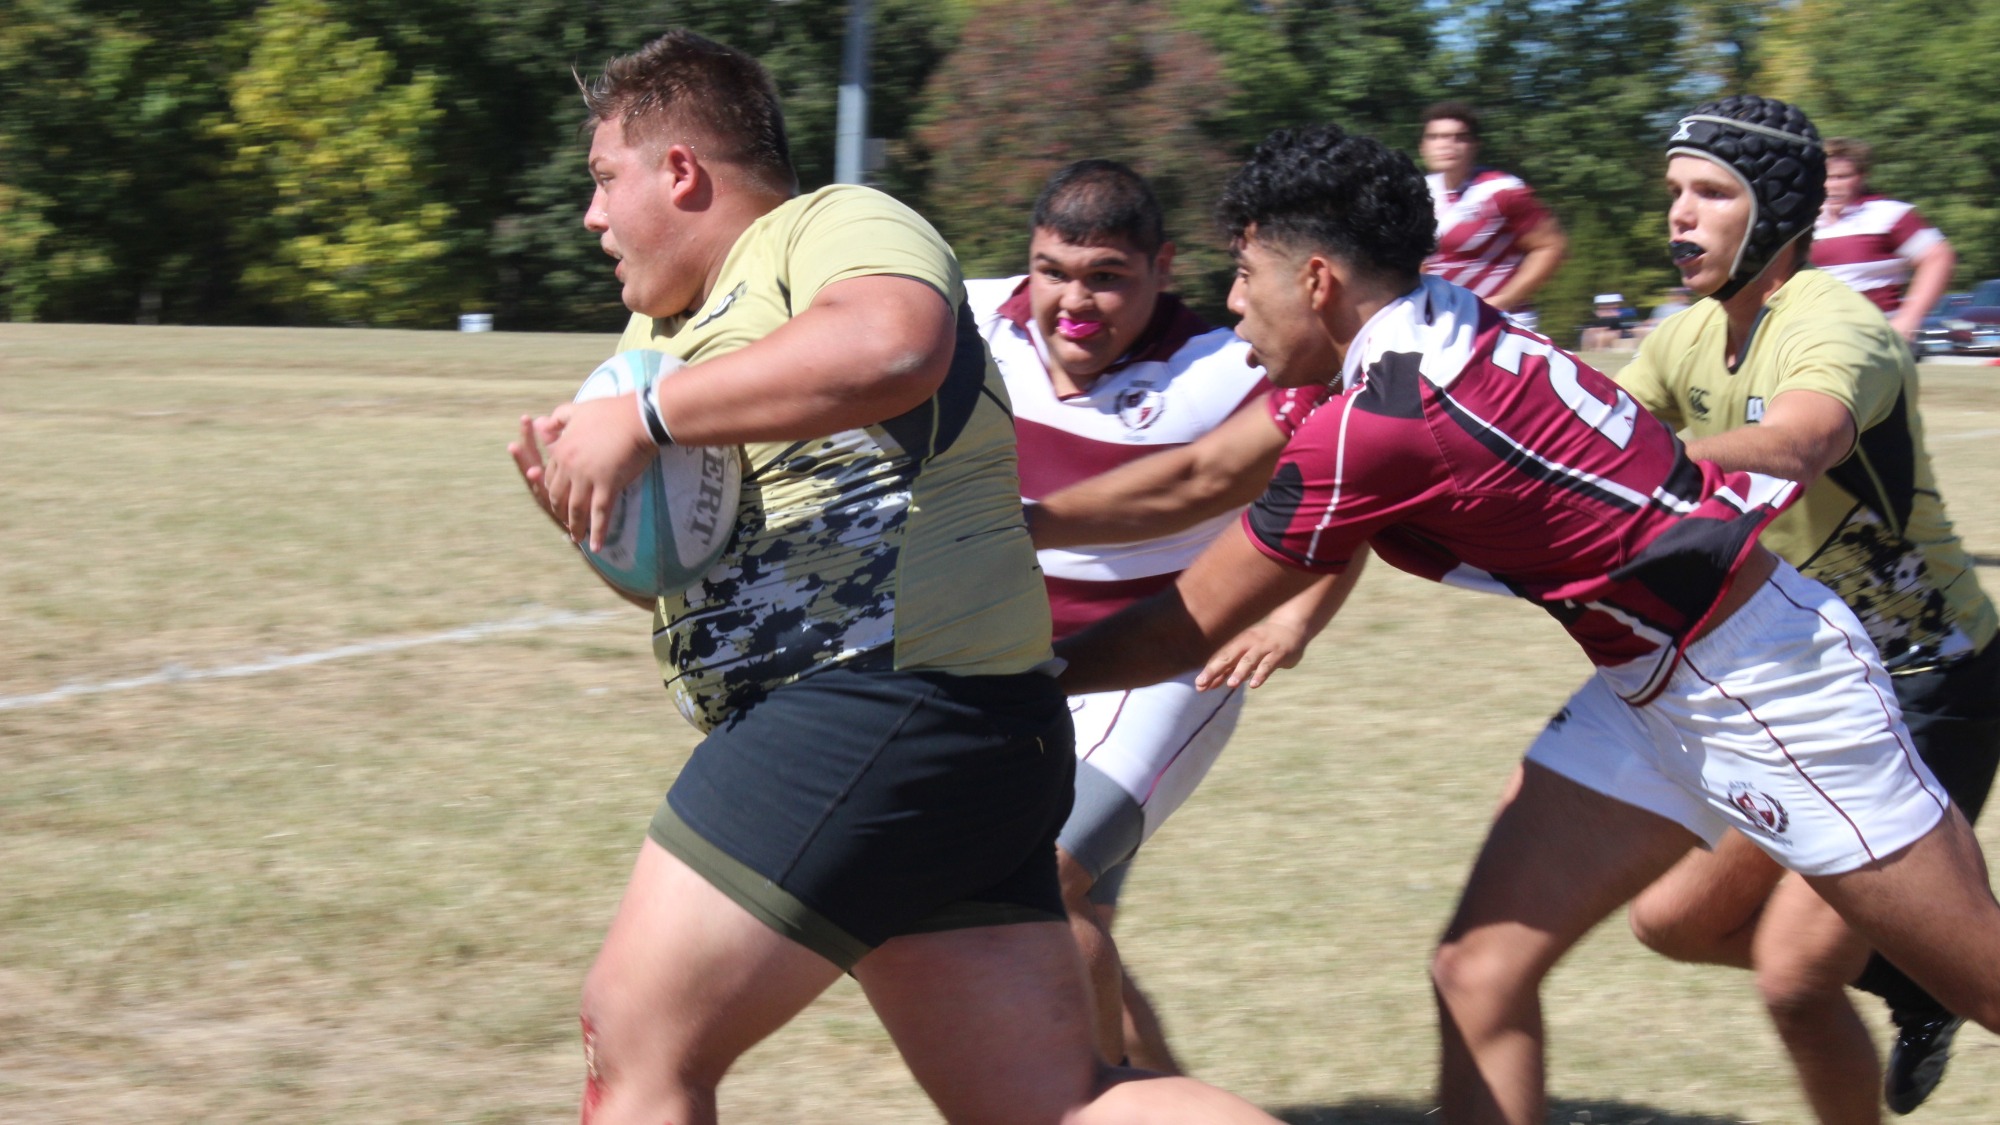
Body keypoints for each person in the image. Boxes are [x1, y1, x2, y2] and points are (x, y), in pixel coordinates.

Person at [1052, 119, 2000, 1125]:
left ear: (1318, 281)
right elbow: (1203, 475)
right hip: (1648, 684)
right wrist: (1023, 518)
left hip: (1768, 686)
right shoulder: (1416, 329)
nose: (1232, 300)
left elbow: (1180, 629)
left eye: (1243, 273)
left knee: (1978, 985)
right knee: (1478, 969)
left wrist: (1003, 675)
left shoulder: (1381, 418)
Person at [506, 30, 1281, 1125]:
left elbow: (892, 344)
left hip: (876, 697)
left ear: (679, 169)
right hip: (952, 731)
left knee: (636, 1039)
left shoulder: (828, 226)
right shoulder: (663, 335)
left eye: (601, 179)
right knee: (1051, 1105)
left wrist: (640, 416)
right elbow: (698, 575)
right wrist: (608, 526)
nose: (590, 216)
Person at [1617, 97, 2000, 1121]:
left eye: (1708, 194)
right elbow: (1586, 426)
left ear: (1774, 205)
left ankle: (1934, 973)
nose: (1677, 217)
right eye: (1672, 194)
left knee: (1793, 977)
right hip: (1801, 685)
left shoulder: (1836, 325)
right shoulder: (1683, 335)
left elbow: (1798, 443)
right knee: (1669, 924)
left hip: (1925, 681)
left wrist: (1645, 463)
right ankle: (1920, 977)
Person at [970, 158, 1355, 1069]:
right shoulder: (971, 316)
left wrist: (1296, 616)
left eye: (1106, 278)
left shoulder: (1234, 364)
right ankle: (1163, 1094)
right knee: (1072, 917)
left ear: (1163, 268)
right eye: (1052, 271)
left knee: (1043, 887)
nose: (1072, 303)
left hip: (1164, 664)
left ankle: (1107, 1101)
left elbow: (1353, 488)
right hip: (1006, 661)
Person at [1419, 101, 1567, 334]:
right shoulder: (1418, 192)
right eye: (1436, 137)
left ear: (1476, 145)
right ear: (1423, 147)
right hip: (1440, 320)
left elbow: (1551, 246)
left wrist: (1505, 300)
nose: (1446, 145)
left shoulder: (1503, 190)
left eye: (1459, 137)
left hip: (1501, 321)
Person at [1813, 137, 1958, 344]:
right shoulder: (1804, 219)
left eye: (1842, 177)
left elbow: (1938, 257)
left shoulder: (1890, 214)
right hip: (1814, 336)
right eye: (1826, 177)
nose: (1832, 185)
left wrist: (1909, 317)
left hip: (1872, 338)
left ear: (1862, 176)